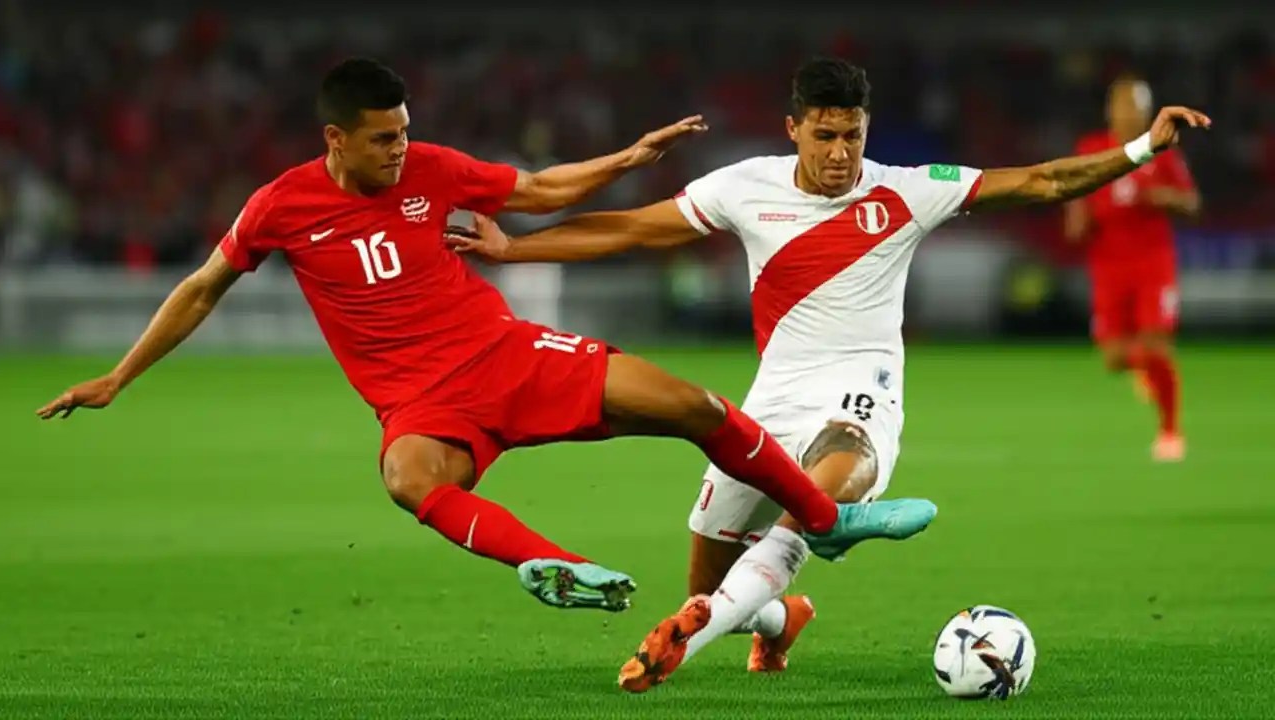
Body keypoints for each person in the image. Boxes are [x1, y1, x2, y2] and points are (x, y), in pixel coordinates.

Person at [447, 57, 1211, 690]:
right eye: (825, 135)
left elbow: (1042, 182)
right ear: (795, 130)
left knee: (829, 482)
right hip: (772, 398)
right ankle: (777, 618)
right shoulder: (745, 188)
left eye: (852, 134)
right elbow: (631, 228)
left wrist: (1143, 148)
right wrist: (516, 248)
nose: (841, 151)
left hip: (861, 391)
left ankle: (699, 629)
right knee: (716, 580)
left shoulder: (908, 190)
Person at [36, 57, 885, 616]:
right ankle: (562, 568)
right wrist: (120, 376)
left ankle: (822, 517)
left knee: (694, 405)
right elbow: (199, 289)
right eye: (382, 139)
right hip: (419, 401)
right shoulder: (279, 206)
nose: (401, 149)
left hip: (506, 354)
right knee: (406, 477)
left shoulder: (433, 168)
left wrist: (623, 162)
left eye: (404, 131)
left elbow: (542, 190)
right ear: (335, 139)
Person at [1064, 74, 1200, 462]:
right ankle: (1146, 370)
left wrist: (1166, 198)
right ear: (1110, 110)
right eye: (1123, 105)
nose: (1129, 113)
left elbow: (1192, 203)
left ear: (1146, 111)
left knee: (1157, 346)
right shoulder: (1091, 150)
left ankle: (1170, 430)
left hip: (1153, 264)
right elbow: (1075, 205)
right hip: (1107, 268)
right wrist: (1078, 220)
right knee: (1114, 358)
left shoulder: (1162, 152)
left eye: (1136, 106)